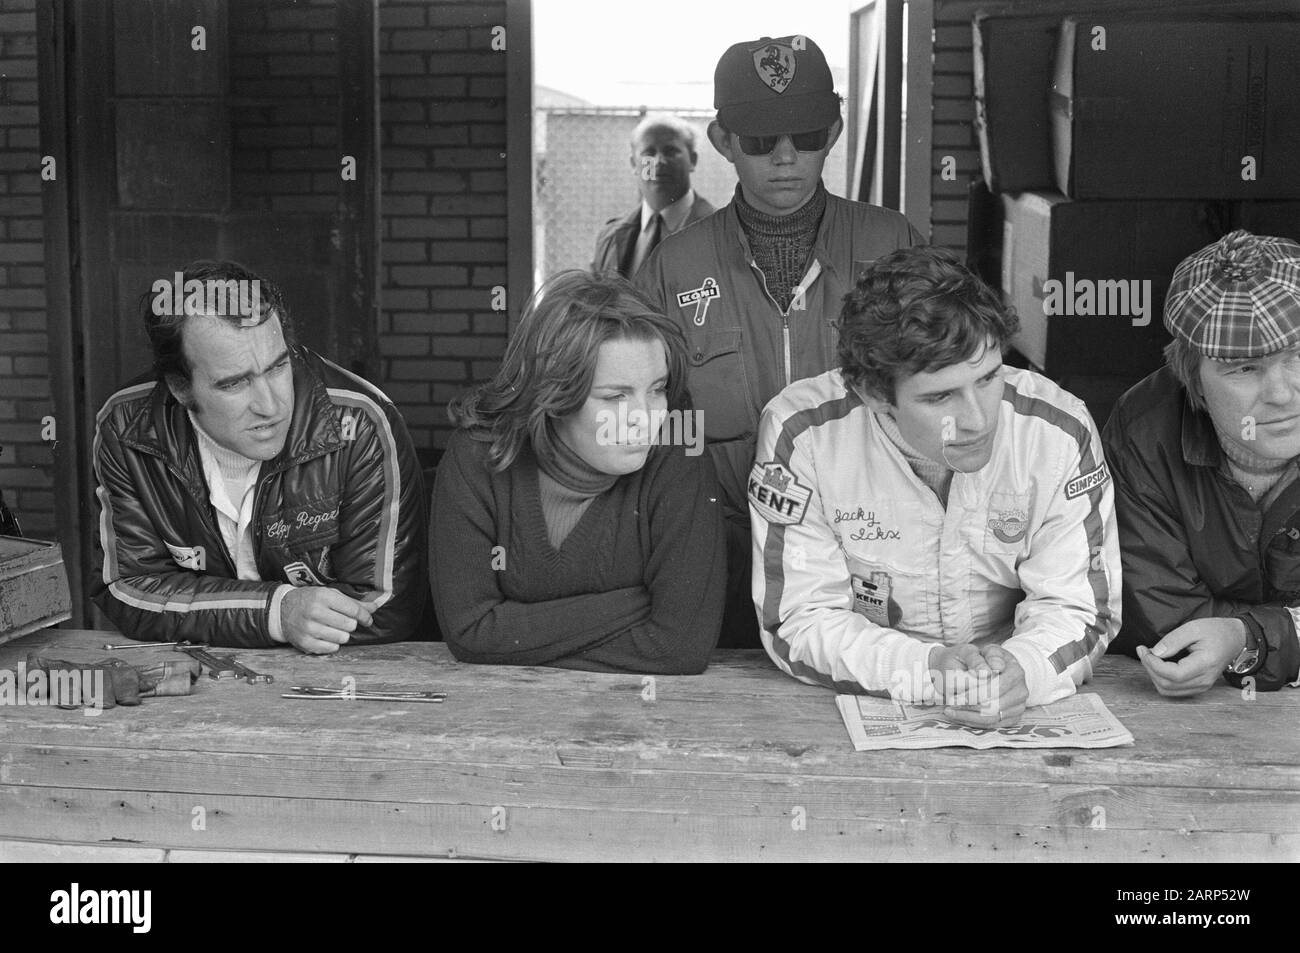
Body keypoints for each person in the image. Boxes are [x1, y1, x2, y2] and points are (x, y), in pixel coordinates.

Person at [752, 246, 1120, 725]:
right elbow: (800, 619)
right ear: (874, 395)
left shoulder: (1058, 430)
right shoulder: (801, 435)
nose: (978, 418)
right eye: (940, 395)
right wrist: (926, 672)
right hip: (870, 698)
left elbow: (1078, 607)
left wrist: (1024, 670)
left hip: (1013, 682)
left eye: (989, 378)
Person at [635, 34, 921, 646]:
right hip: (724, 553)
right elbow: (647, 424)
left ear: (837, 131)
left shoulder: (894, 245)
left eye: (808, 135)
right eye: (763, 139)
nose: (786, 155)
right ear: (723, 142)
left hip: (873, 552)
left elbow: (944, 392)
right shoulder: (672, 268)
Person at [92, 260, 427, 652]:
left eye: (278, 366)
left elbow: (385, 605)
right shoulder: (127, 426)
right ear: (181, 389)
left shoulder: (360, 422)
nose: (270, 406)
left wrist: (211, 611)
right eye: (235, 384)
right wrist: (276, 613)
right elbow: (128, 588)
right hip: (199, 691)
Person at [430, 270, 726, 673]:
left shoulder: (680, 451)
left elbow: (680, 645)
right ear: (552, 397)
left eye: (657, 389)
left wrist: (514, 637)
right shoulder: (478, 456)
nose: (645, 419)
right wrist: (640, 602)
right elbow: (471, 632)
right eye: (615, 396)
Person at [1103, 230, 1300, 695]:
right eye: (1244, 368)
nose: (1281, 394)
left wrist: (1243, 637)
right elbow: (1171, 625)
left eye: (1298, 357)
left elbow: (1220, 636)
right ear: (1193, 378)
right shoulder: (1144, 433)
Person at [591, 115, 715, 279]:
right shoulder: (609, 237)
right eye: (649, 152)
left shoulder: (721, 233)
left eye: (670, 151)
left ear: (692, 160)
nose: (658, 161)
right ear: (634, 164)